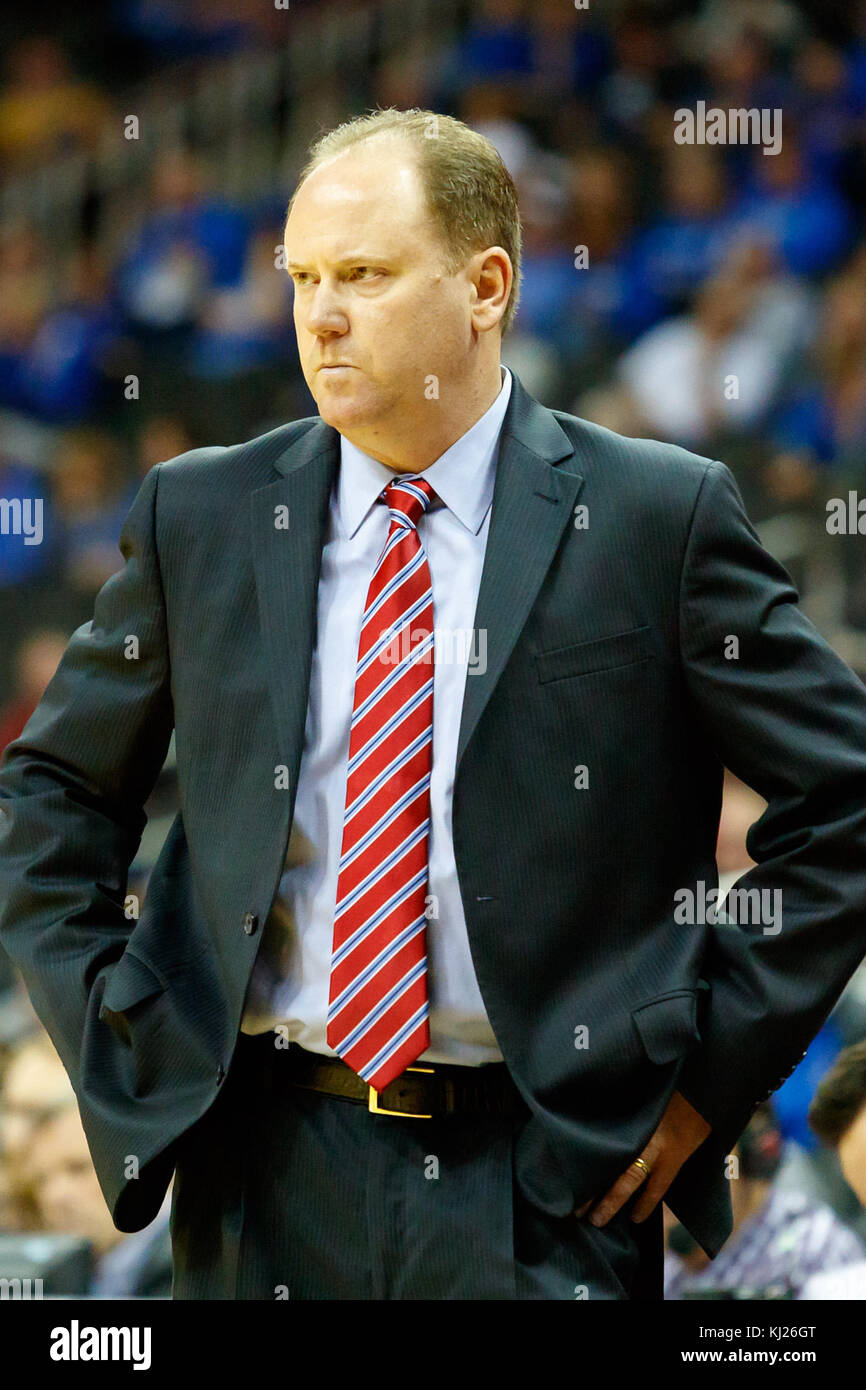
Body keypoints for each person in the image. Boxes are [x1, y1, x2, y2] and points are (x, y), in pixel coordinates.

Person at [3, 107, 866, 1301]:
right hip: (255, 1163)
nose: (319, 313)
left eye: (361, 273)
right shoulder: (197, 513)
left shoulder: (650, 518)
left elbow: (844, 796)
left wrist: (704, 1086)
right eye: (300, 276)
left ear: (487, 285)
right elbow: (49, 789)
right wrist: (118, 1034)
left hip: (542, 1176)